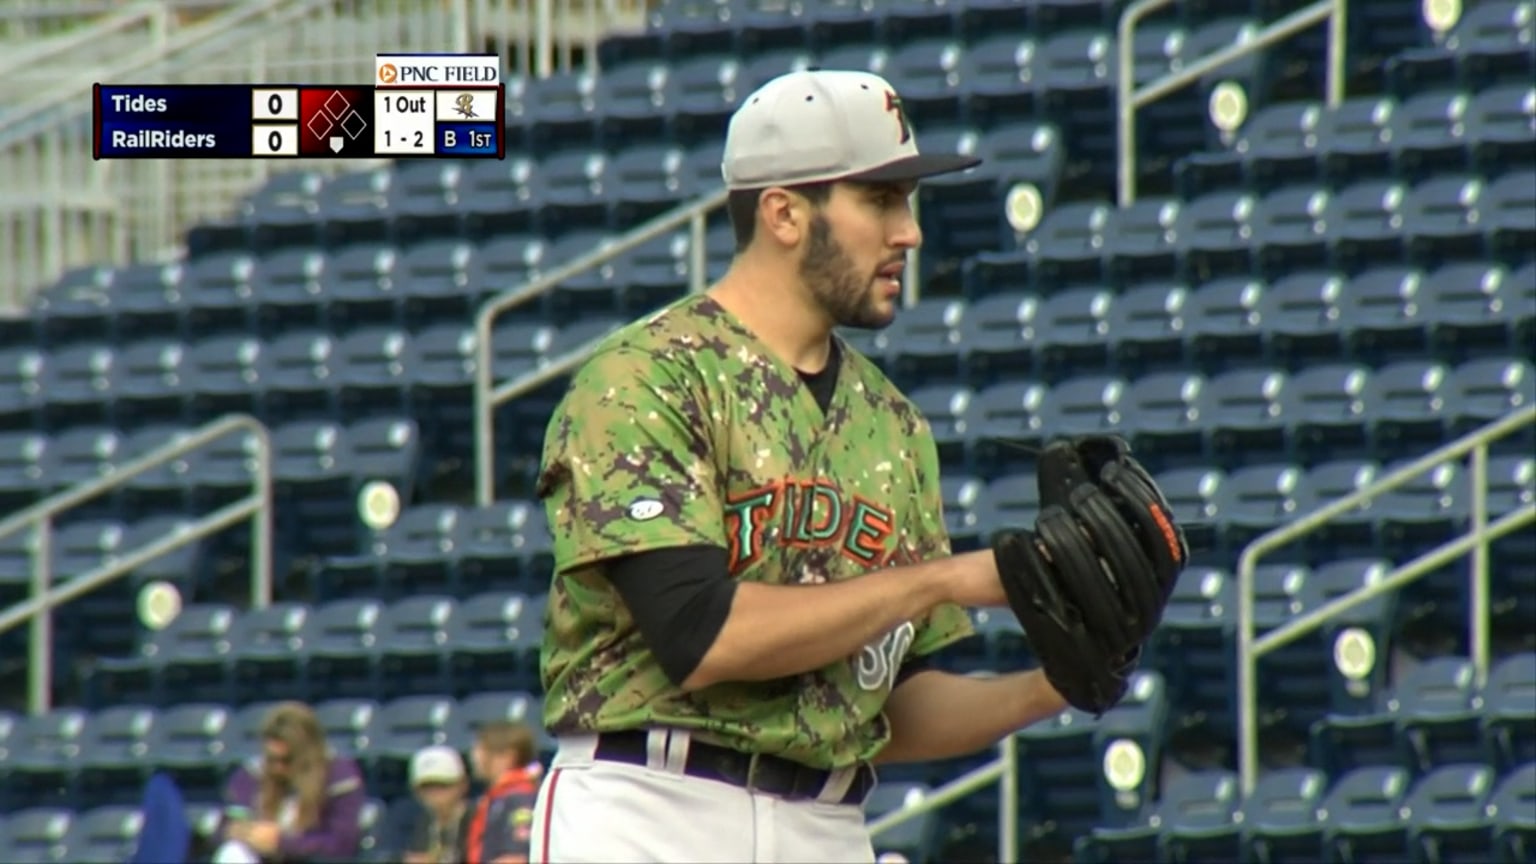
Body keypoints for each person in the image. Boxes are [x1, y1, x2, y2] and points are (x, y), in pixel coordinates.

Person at [528, 68, 1072, 864]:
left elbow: (887, 705)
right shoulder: (645, 379)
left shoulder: (893, 425)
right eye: (880, 199)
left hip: (827, 823)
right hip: (648, 808)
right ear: (784, 212)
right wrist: (945, 580)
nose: (909, 232)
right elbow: (698, 634)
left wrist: (1056, 686)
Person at [219, 701, 366, 862]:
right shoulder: (252, 775)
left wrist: (281, 842)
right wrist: (239, 831)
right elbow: (221, 829)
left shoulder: (339, 775)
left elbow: (342, 844)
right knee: (233, 851)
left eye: (286, 760)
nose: (277, 768)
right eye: (272, 759)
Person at [463, 721, 542, 864]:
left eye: (481, 749)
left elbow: (517, 859)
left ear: (507, 756)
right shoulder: (496, 798)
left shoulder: (520, 797)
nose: (474, 757)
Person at [403, 744, 472, 864]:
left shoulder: (478, 819)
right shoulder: (421, 822)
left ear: (463, 785)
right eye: (426, 787)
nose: (435, 794)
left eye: (443, 785)